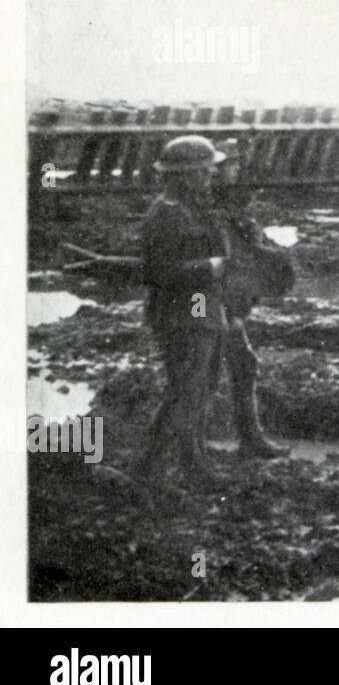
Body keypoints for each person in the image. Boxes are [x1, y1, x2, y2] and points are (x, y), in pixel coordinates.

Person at [135, 135, 231, 484]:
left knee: (200, 385)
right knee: (185, 388)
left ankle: (184, 458)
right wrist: (210, 267)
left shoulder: (192, 207)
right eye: (204, 172)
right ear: (184, 175)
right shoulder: (164, 214)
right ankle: (162, 464)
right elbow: (158, 273)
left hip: (199, 307)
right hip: (178, 313)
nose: (210, 178)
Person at [211, 139, 291, 459]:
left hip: (225, 301)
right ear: (214, 170)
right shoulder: (211, 208)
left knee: (243, 364)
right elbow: (224, 259)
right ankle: (182, 447)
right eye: (229, 164)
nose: (236, 168)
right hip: (213, 301)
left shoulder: (227, 204)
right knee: (209, 374)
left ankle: (250, 439)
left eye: (235, 163)